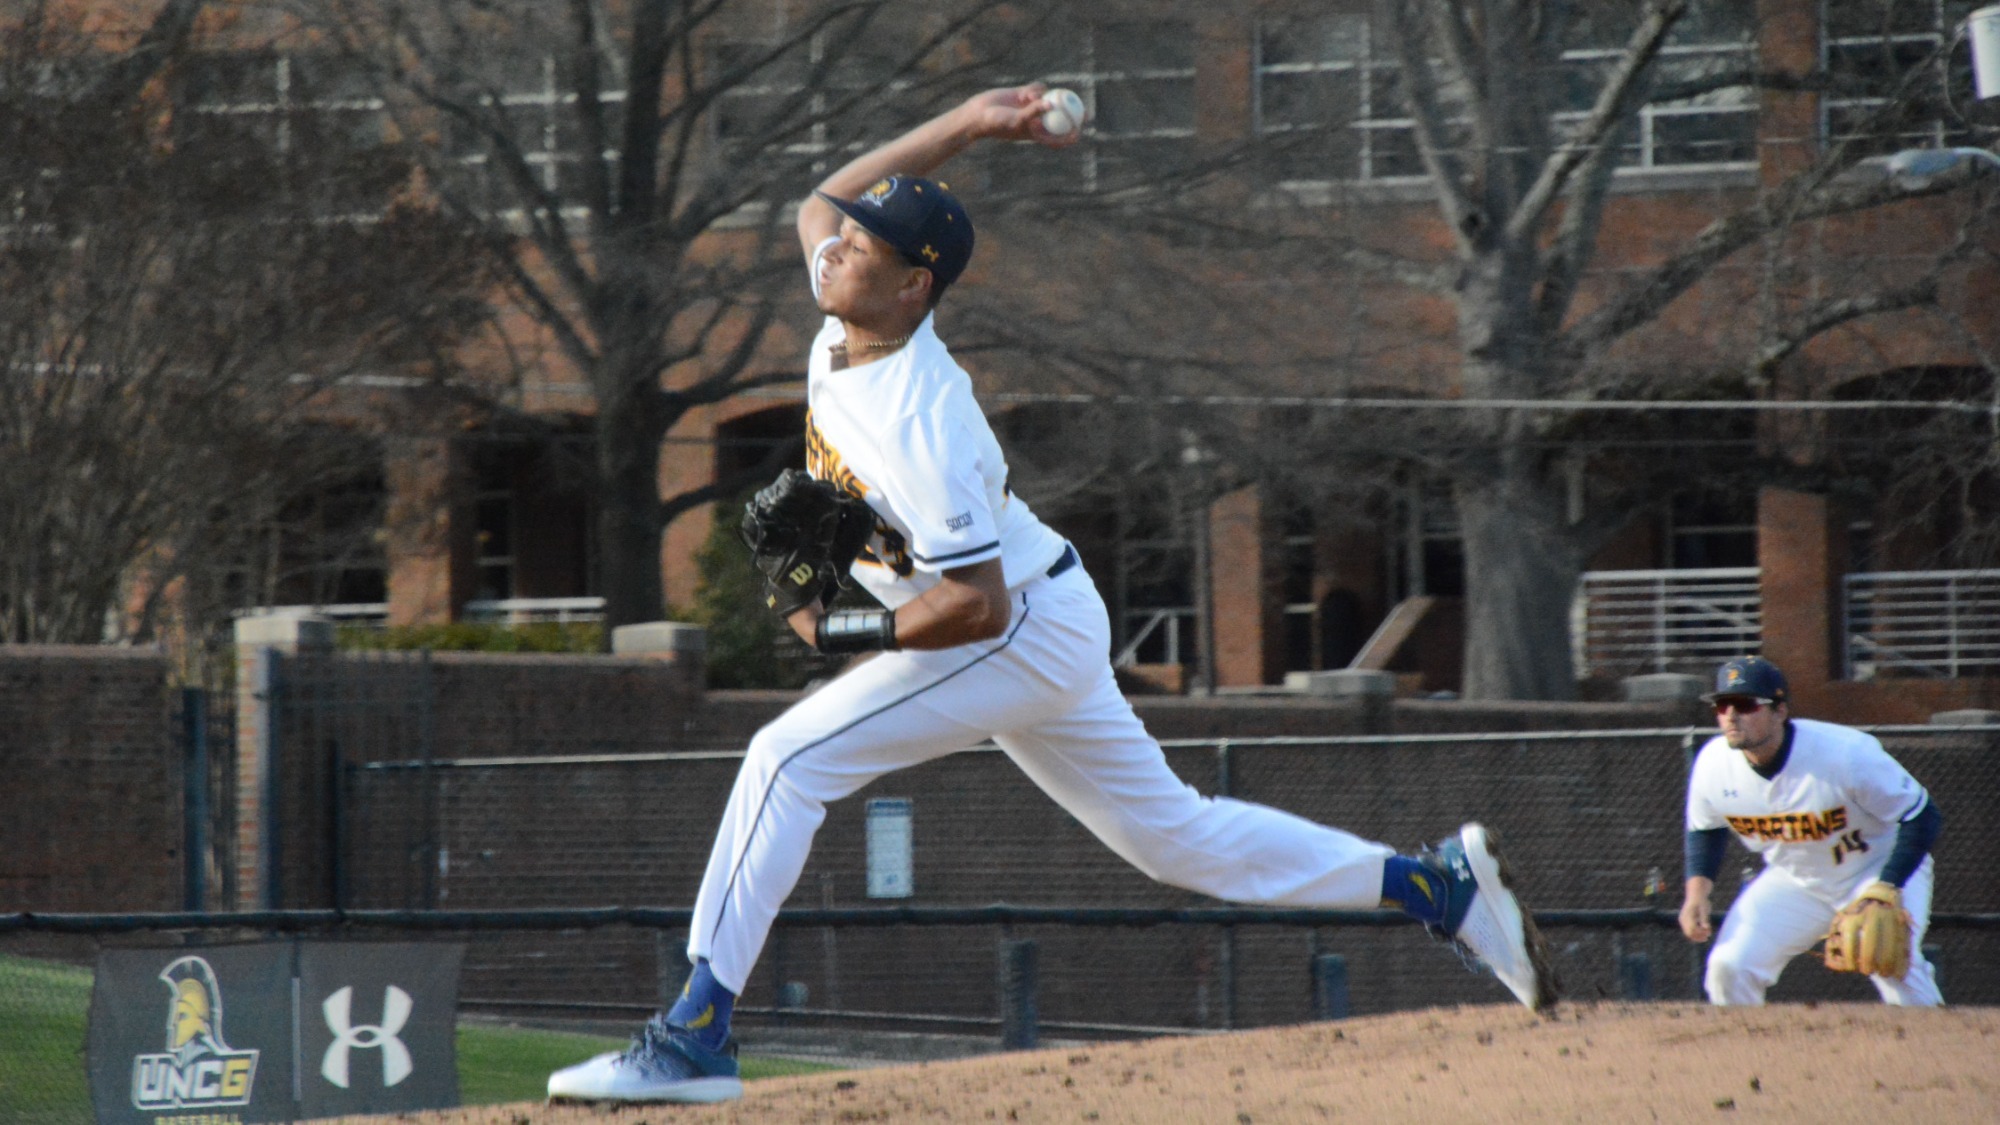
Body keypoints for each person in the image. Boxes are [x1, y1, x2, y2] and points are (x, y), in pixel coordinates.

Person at [547, 83, 1557, 1105]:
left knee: (783, 759)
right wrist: (971, 125)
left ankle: (695, 1033)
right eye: (849, 237)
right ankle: (1436, 886)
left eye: (867, 245)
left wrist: (845, 627)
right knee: (1177, 840)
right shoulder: (847, 305)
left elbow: (973, 605)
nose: (839, 245)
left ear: (914, 287)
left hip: (1010, 628)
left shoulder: (928, 416)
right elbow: (820, 199)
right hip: (1047, 616)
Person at [1679, 656, 1944, 1006]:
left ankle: (1932, 1051)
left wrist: (1888, 884)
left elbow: (1923, 815)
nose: (1730, 714)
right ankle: (1741, 1058)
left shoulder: (1844, 754)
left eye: (1744, 704)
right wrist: (1697, 894)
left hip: (1874, 870)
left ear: (1780, 710)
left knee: (1889, 961)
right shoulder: (1713, 763)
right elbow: (1705, 829)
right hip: (1797, 879)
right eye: (1722, 704)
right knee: (1729, 966)